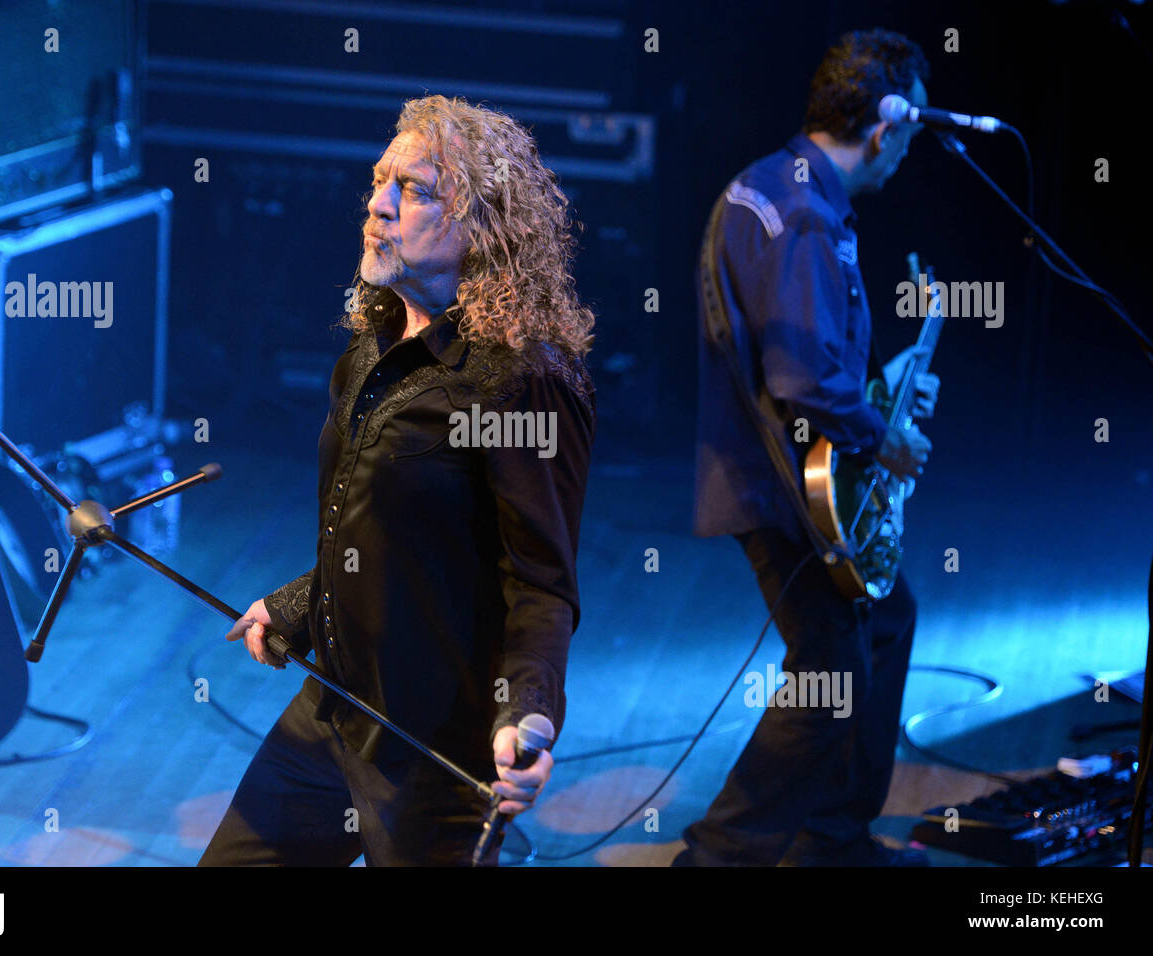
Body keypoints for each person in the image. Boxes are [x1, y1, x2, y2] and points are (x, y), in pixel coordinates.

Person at [199, 95, 596, 867]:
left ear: (482, 225)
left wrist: (530, 713)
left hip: (431, 749)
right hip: (336, 710)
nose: (378, 205)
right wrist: (293, 611)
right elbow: (380, 537)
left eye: (413, 189)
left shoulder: (517, 381)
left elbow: (541, 581)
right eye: (380, 182)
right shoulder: (372, 348)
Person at [678, 29, 941, 867]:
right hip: (779, 488)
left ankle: (833, 837)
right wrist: (885, 434)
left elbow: (813, 362)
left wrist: (881, 385)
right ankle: (716, 858)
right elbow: (804, 384)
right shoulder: (802, 215)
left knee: (884, 620)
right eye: (912, 135)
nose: (906, 155)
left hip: (779, 472)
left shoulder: (779, 185)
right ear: (886, 130)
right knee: (829, 674)